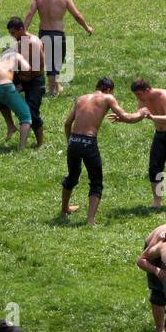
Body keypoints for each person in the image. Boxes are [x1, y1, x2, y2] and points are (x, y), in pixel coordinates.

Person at [109, 79, 166, 210]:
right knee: (155, 167)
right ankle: (158, 201)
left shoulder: (164, 96)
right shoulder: (143, 99)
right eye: (136, 95)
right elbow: (138, 115)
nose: (138, 98)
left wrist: (152, 117)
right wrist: (123, 119)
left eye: (139, 94)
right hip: (160, 135)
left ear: (148, 90)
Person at [60, 78, 124, 226]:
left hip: (74, 141)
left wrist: (70, 141)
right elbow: (125, 115)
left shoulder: (81, 98)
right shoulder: (107, 97)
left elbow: (67, 123)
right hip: (89, 142)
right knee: (96, 181)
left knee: (72, 176)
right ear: (108, 90)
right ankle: (90, 221)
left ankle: (64, 209)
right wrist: (141, 114)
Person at [25, 0, 93, 98]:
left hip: (43, 33)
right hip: (57, 34)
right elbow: (77, 15)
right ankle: (51, 91)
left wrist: (24, 31)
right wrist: (87, 27)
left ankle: (56, 86)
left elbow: (30, 14)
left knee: (49, 61)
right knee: (55, 63)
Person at [0, 47, 33, 151]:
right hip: (6, 87)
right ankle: (21, 147)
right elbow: (27, 68)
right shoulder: (15, 55)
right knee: (26, 117)